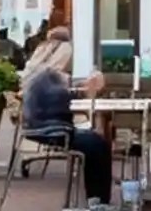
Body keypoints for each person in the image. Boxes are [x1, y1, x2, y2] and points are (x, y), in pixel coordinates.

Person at [20, 28, 111, 206]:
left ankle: (96, 199)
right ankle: (99, 201)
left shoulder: (37, 75)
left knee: (94, 142)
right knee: (98, 145)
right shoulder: (51, 77)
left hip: (39, 127)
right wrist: (89, 93)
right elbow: (64, 106)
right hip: (53, 130)